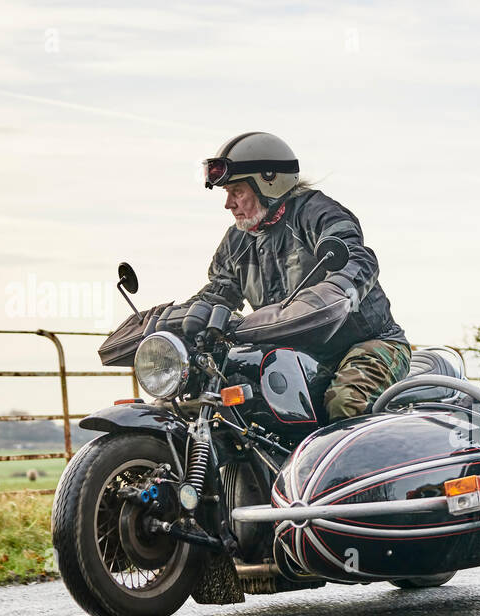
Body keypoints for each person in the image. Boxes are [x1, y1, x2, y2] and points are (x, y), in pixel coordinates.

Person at [176, 131, 410, 421]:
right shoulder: (237, 240)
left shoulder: (315, 212)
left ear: (268, 183)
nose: (229, 204)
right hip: (295, 353)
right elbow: (219, 291)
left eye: (236, 192)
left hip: (366, 344)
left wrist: (338, 291)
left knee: (345, 403)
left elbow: (356, 257)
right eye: (227, 193)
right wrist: (181, 318)